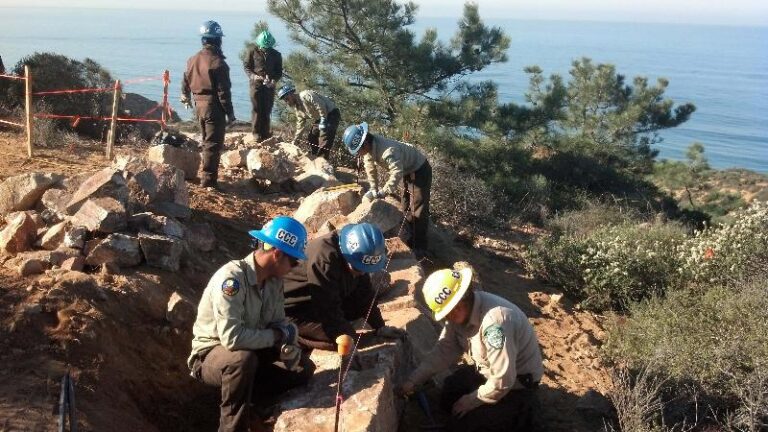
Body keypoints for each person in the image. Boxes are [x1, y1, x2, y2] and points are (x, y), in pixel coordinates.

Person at [188, 216, 315, 432]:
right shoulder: (232, 280)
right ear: (277, 254)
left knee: (304, 369)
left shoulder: (274, 282)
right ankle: (232, 426)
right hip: (212, 355)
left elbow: (278, 323)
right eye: (293, 261)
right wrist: (277, 336)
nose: (294, 268)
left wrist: (288, 346)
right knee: (241, 360)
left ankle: (255, 403)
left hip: (251, 349)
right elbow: (232, 338)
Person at [397, 267, 544, 432]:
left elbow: (503, 380)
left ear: (461, 302)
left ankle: (522, 415)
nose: (448, 318)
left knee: (463, 425)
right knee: (449, 393)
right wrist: (413, 380)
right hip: (487, 371)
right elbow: (444, 350)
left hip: (516, 385)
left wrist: (473, 400)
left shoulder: (496, 323)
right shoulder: (457, 317)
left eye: (450, 311)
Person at [282, 223, 405, 351]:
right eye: (357, 268)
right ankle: (296, 336)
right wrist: (347, 336)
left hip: (322, 298)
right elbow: (327, 307)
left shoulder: (356, 253)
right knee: (345, 341)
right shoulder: (325, 258)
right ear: (347, 254)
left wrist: (380, 327)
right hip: (295, 310)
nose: (362, 273)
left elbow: (364, 293)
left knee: (356, 310)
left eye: (365, 269)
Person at [343, 123, 432, 256]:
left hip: (419, 169)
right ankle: (408, 235)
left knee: (417, 207)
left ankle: (419, 246)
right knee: (405, 202)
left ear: (365, 143)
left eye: (357, 150)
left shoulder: (388, 151)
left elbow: (396, 173)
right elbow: (370, 168)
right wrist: (373, 188)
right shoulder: (369, 148)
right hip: (408, 169)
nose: (357, 154)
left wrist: (383, 192)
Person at [181, 20, 235, 189]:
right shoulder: (218, 63)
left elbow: (185, 80)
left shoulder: (192, 60)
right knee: (213, 144)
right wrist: (231, 114)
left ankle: (207, 177)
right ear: (218, 40)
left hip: (199, 106)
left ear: (204, 40)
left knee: (206, 141)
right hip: (213, 108)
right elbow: (223, 93)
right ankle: (208, 181)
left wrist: (186, 96)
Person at [276, 85, 341, 159]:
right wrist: (296, 140)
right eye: (285, 100)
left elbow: (320, 104)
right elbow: (300, 126)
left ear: (291, 94)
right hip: (319, 118)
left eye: (287, 98)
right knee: (312, 137)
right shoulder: (298, 109)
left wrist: (323, 119)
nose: (286, 101)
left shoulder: (305, 95)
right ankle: (315, 156)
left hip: (331, 114)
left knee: (324, 136)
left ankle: (322, 160)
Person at [243, 30, 282, 142]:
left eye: (268, 47)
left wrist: (274, 80)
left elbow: (279, 72)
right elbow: (247, 67)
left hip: (269, 85)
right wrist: (253, 76)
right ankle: (256, 133)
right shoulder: (252, 51)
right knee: (257, 108)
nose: (266, 49)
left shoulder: (276, 55)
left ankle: (265, 132)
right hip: (255, 85)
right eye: (264, 47)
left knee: (267, 108)